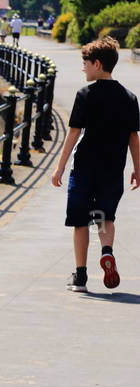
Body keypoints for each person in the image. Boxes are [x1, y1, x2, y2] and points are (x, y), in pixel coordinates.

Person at [51, 37, 140, 292]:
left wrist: (59, 167)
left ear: (97, 64)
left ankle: (80, 277)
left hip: (85, 167)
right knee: (104, 217)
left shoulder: (85, 94)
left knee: (80, 221)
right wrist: (137, 168)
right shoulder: (129, 97)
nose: (83, 68)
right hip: (113, 168)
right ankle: (107, 251)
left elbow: (74, 133)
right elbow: (134, 137)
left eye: (85, 63)